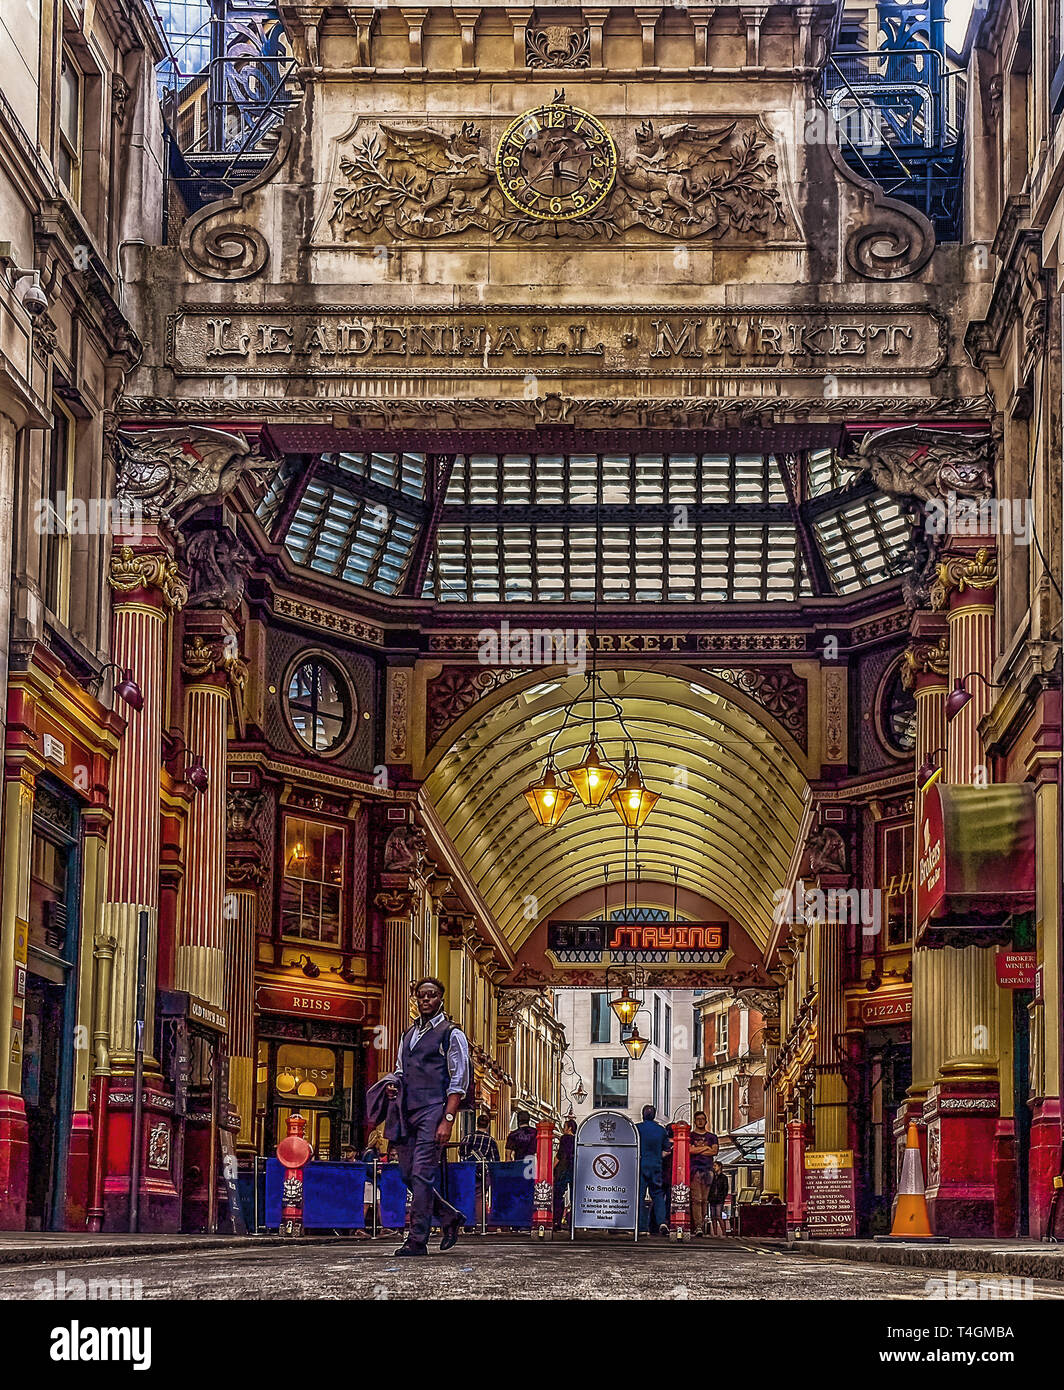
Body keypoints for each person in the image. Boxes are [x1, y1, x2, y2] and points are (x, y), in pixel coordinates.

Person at [386, 976, 471, 1257]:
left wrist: (448, 1120)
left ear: (441, 999)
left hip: (434, 1109)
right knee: (407, 1173)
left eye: (432, 995)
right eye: (421, 995)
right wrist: (392, 1085)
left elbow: (459, 1080)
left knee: (422, 1175)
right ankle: (449, 1216)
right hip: (407, 1111)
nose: (426, 999)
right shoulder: (407, 1035)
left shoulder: (451, 1034)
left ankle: (417, 1240)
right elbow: (400, 1071)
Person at [459, 1113, 500, 1231]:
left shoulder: (467, 1138)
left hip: (466, 1171)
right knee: (480, 1197)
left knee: (466, 1196)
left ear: (476, 1124)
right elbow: (495, 1160)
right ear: (487, 1125)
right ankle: (479, 1223)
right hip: (482, 1172)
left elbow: (461, 1153)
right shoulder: (490, 1141)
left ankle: (466, 1222)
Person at [635, 1104, 672, 1236]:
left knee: (639, 1196)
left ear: (642, 1115)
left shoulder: (637, 1128)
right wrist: (657, 1156)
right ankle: (661, 1221)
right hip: (656, 1165)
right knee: (657, 1194)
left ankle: (641, 1227)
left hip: (640, 1164)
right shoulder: (661, 1130)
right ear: (654, 1115)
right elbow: (667, 1149)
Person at [689, 1111, 719, 1236]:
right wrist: (706, 1148)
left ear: (706, 1121)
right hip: (695, 1170)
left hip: (708, 1170)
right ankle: (698, 1226)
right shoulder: (690, 1135)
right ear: (694, 1121)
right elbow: (690, 1150)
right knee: (697, 1199)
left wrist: (698, 1151)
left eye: (702, 1119)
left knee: (704, 1200)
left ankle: (700, 1223)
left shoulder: (713, 1137)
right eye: (698, 1119)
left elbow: (714, 1152)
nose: (700, 1121)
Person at [553, 1117, 577, 1230]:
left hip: (563, 1169)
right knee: (574, 1196)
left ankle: (556, 1222)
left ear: (569, 1128)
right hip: (574, 1169)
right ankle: (573, 1222)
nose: (563, 1129)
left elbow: (560, 1154)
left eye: (565, 1127)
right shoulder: (577, 1139)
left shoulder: (565, 1138)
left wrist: (552, 1167)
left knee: (558, 1196)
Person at [708, 1160, 730, 1237]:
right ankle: (715, 1233)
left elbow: (725, 1189)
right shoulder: (712, 1177)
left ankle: (724, 1233)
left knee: (718, 1216)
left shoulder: (723, 1177)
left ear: (719, 1166)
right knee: (713, 1217)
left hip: (719, 1199)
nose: (714, 1167)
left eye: (715, 1166)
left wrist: (722, 1197)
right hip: (712, 1199)